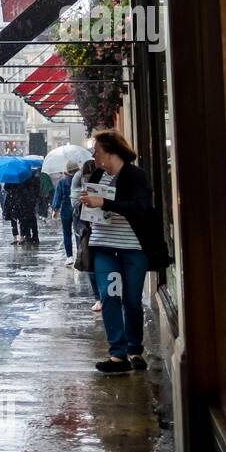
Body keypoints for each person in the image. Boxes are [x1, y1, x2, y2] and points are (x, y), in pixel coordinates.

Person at [80, 129, 171, 375]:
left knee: (132, 300)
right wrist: (88, 207)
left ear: (110, 152)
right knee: (110, 296)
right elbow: (97, 206)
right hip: (104, 246)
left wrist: (104, 203)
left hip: (133, 248)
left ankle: (134, 350)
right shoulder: (98, 175)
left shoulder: (136, 176)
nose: (94, 156)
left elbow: (142, 208)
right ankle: (117, 354)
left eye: (97, 151)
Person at [73, 160, 102, 310]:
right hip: (91, 231)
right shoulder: (82, 188)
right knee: (93, 265)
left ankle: (99, 297)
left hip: (93, 231)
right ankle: (100, 296)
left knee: (92, 265)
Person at [52, 162, 79, 262]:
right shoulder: (80, 181)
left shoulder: (62, 182)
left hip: (66, 209)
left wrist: (55, 209)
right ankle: (80, 255)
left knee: (67, 233)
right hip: (78, 208)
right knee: (78, 232)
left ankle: (69, 257)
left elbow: (57, 197)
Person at [5, 178, 39, 244]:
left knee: (18, 219)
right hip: (19, 200)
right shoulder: (25, 177)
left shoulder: (12, 178)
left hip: (16, 200)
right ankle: (21, 236)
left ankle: (20, 237)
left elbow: (6, 188)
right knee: (20, 219)